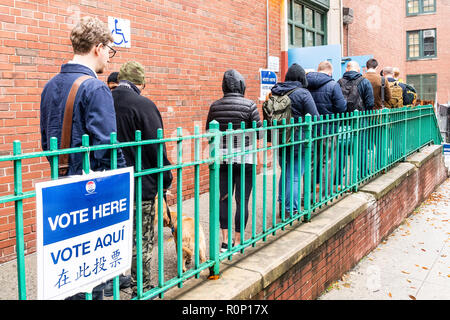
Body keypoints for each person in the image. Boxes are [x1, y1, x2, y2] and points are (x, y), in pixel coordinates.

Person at [40, 16, 126, 300]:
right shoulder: (96, 87)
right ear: (98, 48)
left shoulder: (50, 86)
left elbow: (46, 142)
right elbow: (109, 151)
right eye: (109, 51)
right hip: (92, 195)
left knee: (67, 277)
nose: (109, 60)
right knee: (91, 282)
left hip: (60, 189)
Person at [112, 61, 173, 298]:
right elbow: (155, 148)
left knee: (114, 237)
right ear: (142, 83)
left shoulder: (104, 101)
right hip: (140, 186)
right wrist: (165, 179)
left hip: (109, 185)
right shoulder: (144, 105)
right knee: (141, 241)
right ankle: (143, 288)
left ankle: (112, 282)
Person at [205, 69, 262, 252]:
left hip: (222, 157)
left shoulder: (215, 106)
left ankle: (224, 241)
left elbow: (209, 132)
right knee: (242, 200)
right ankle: (238, 241)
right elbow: (260, 133)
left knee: (224, 198)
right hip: (245, 158)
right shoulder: (250, 105)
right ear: (241, 85)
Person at [270, 63, 319, 217]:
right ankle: (291, 209)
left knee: (286, 172)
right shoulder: (303, 93)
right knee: (295, 175)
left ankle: (282, 206)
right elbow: (315, 117)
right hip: (298, 141)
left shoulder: (275, 92)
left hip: (280, 140)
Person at [306, 61, 347, 197]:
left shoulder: (306, 84)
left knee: (311, 162)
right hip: (328, 129)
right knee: (328, 161)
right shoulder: (333, 85)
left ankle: (309, 192)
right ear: (330, 72)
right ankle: (325, 194)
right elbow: (341, 107)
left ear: (318, 70)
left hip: (311, 129)